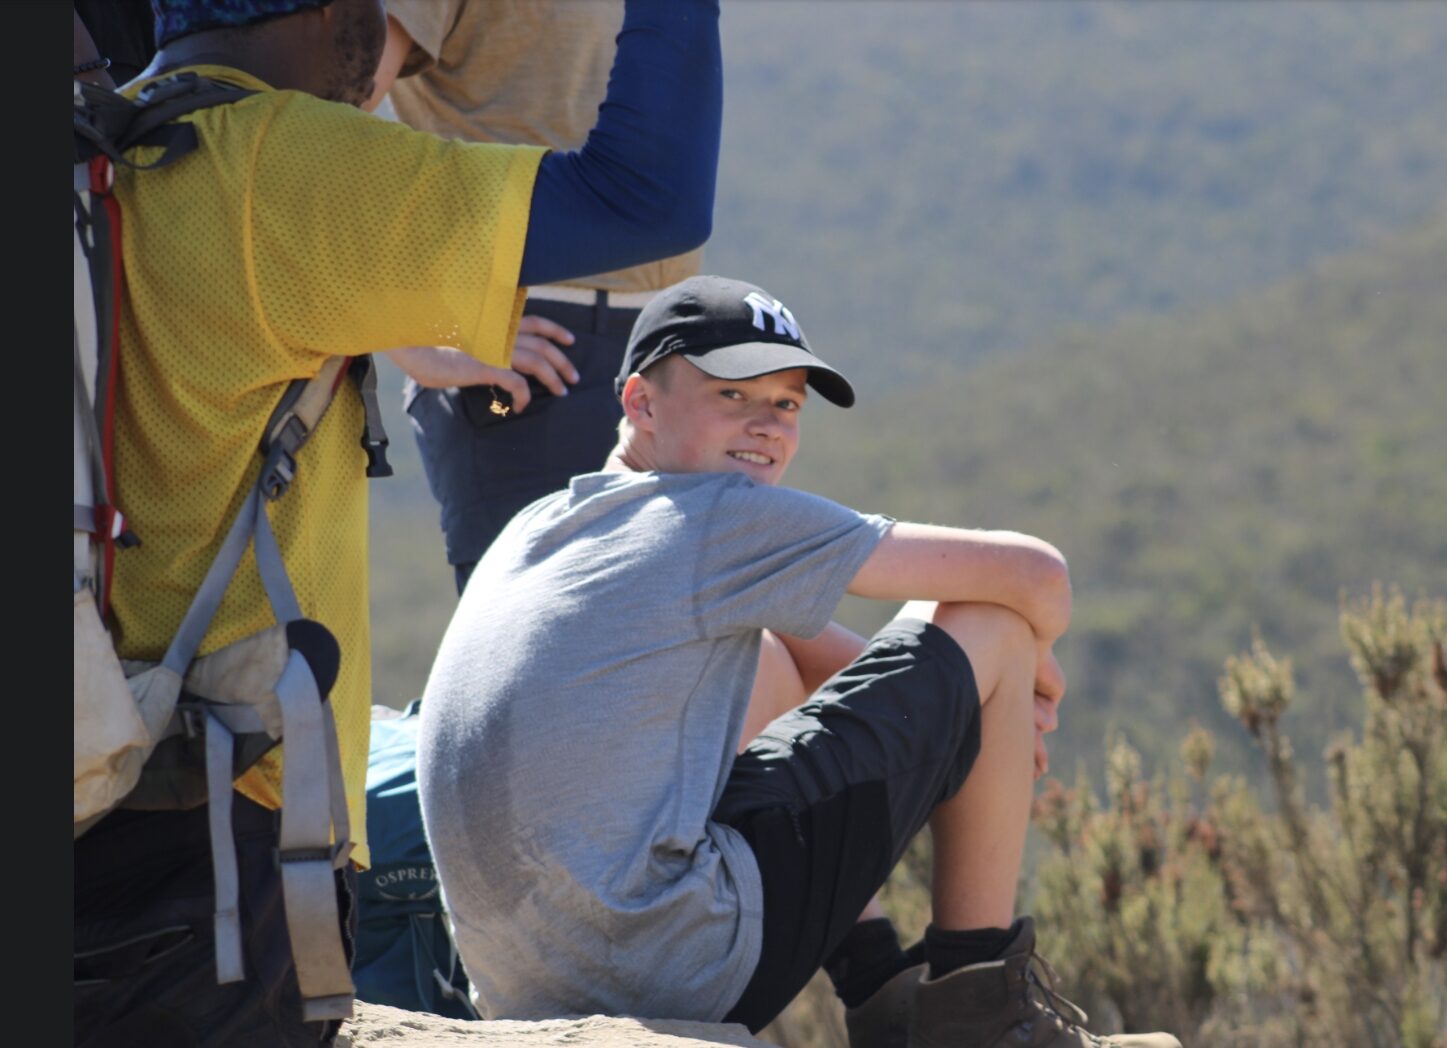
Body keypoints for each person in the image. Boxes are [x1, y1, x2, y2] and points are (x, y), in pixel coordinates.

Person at [71, 2, 721, 1045]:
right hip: (225, 824)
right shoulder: (285, 163)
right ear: (334, 15)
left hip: (92, 761)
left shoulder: (113, 142)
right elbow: (647, 196)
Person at [417, 276, 1181, 1047]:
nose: (767, 426)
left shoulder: (546, 524)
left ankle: (880, 985)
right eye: (733, 395)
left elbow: (844, 670)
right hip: (665, 969)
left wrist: (975, 709)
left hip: (528, 982)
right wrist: (1021, 670)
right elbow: (1038, 576)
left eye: (785, 404)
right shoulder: (710, 518)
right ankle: (978, 1006)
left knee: (775, 652)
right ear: (642, 403)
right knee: (987, 617)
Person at [364, 0, 707, 595]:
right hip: (522, 353)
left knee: (675, 642)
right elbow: (319, 127)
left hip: (667, 339)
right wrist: (420, 331)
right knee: (545, 636)